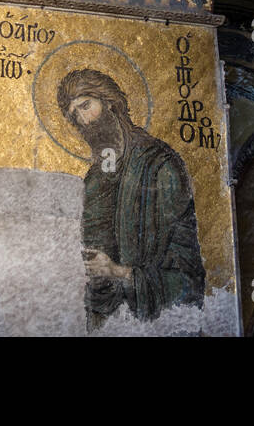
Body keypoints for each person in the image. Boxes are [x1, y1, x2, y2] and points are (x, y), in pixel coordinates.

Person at [57, 68, 206, 328]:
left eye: (85, 106)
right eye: (74, 116)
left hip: (150, 322)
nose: (84, 121)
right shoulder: (93, 180)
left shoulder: (159, 166)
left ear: (110, 103)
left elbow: (189, 280)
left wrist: (119, 273)